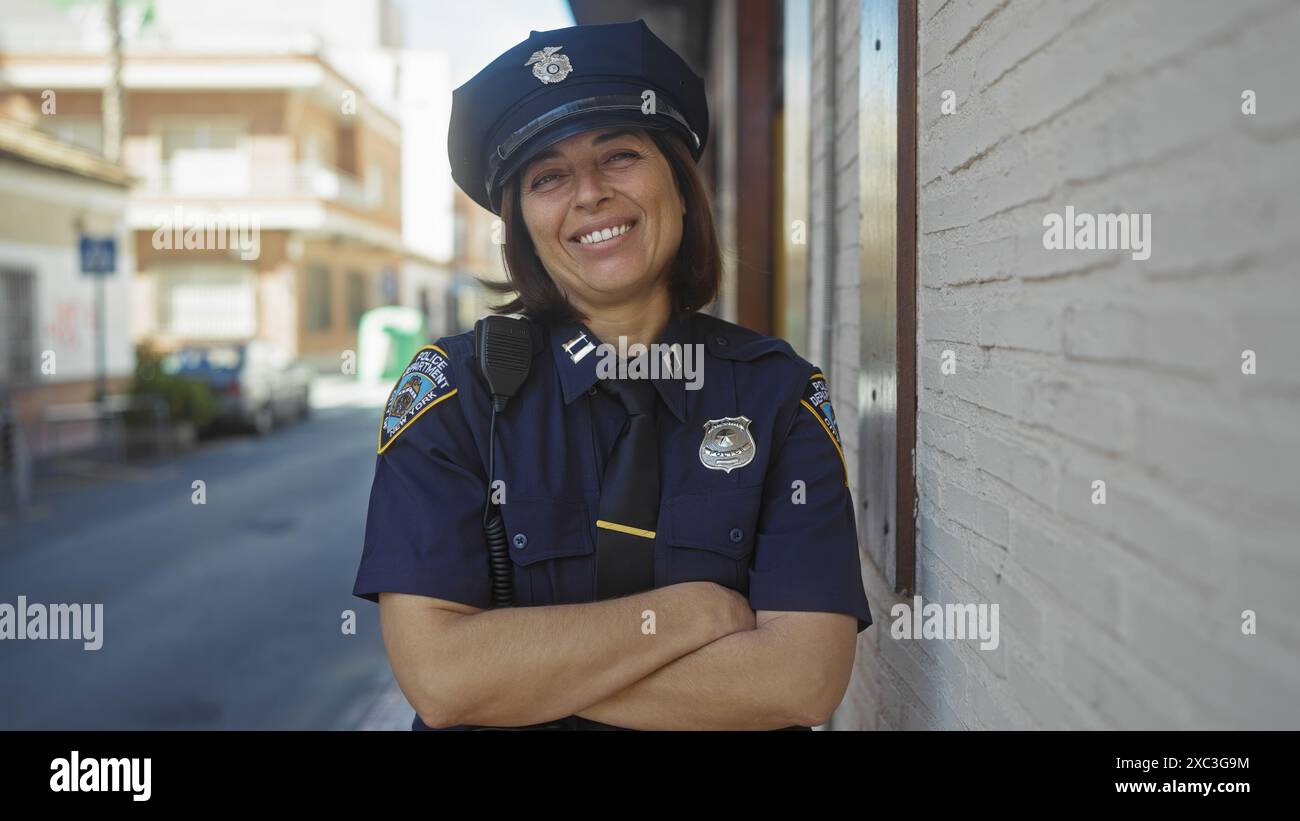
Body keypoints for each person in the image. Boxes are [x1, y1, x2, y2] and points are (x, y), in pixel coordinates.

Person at [352, 19, 873, 731]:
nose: (589, 194)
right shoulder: (455, 393)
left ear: (681, 187)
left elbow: (802, 679)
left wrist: (518, 672)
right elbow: (441, 679)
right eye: (548, 176)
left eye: (620, 155)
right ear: (523, 224)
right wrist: (693, 613)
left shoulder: (777, 395)